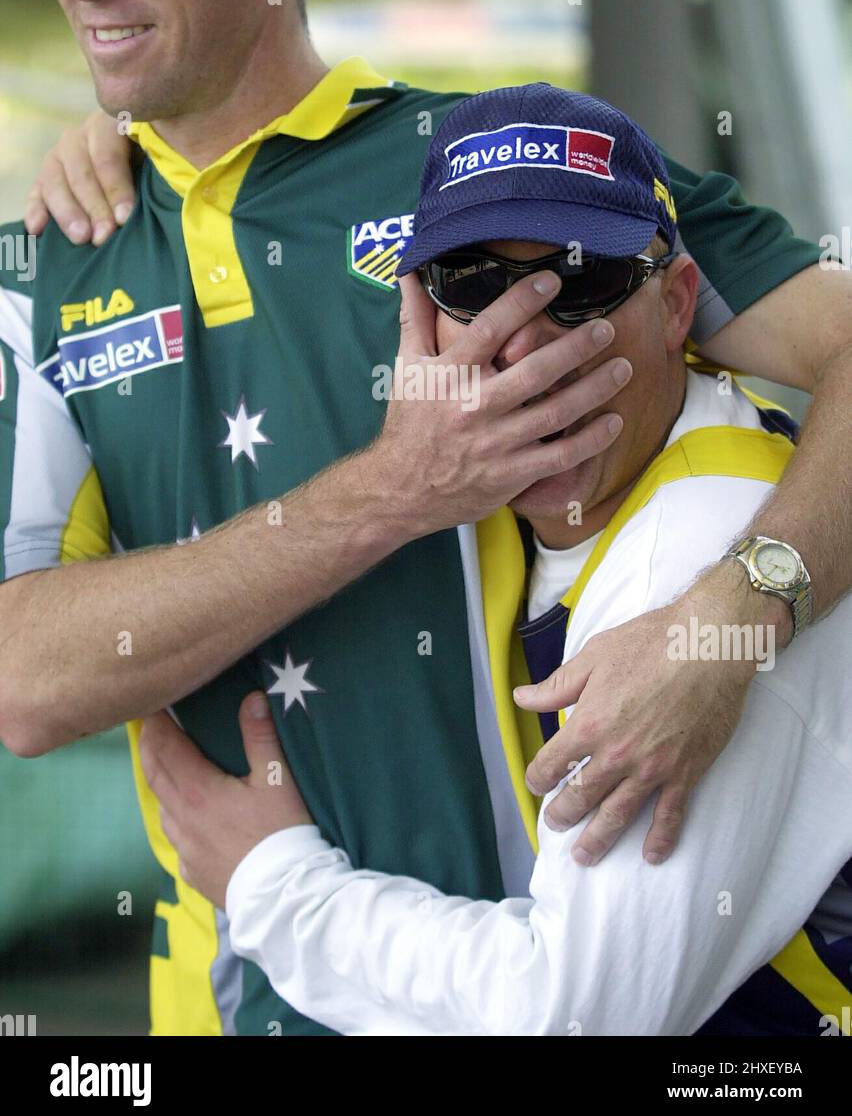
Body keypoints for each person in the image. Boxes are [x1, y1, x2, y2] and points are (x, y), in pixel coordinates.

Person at [1, 0, 851, 1036]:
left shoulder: (499, 166)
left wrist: (736, 615)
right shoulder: (44, 260)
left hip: (511, 976)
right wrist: (385, 496)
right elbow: (23, 682)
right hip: (219, 1004)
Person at [139, 85, 852, 1037]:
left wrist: (274, 888)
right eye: (472, 282)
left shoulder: (688, 556)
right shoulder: (496, 497)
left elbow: (567, 1020)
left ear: (679, 304)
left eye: (579, 278)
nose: (521, 337)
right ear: (417, 316)